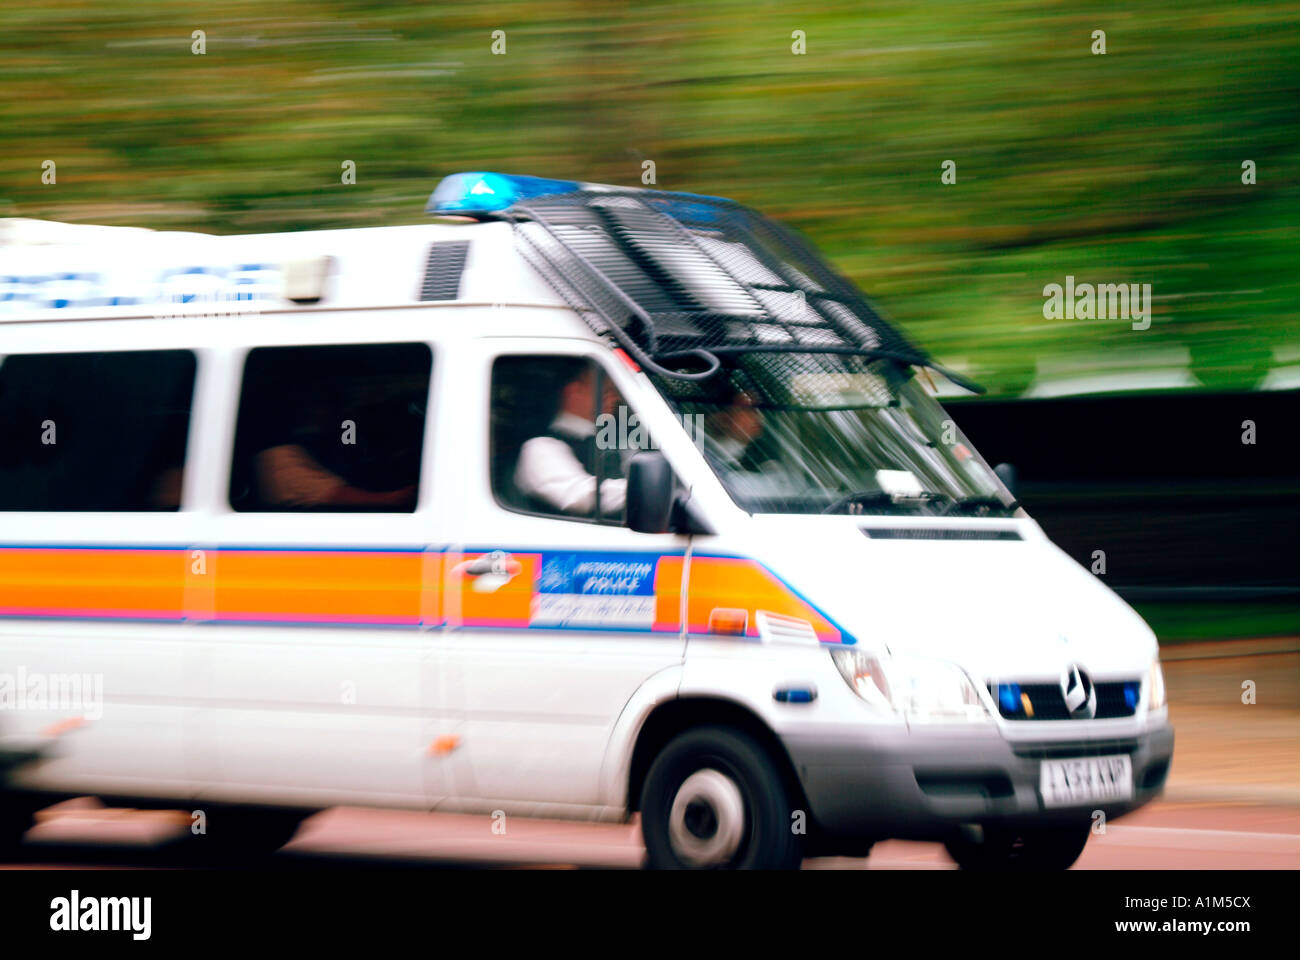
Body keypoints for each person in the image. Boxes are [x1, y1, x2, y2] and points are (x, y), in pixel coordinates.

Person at [255, 386, 416, 510]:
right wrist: (395, 498)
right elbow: (330, 492)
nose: (330, 412)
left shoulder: (344, 429)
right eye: (320, 404)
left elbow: (354, 455)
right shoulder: (280, 457)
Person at [514, 363, 627, 517]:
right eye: (607, 391)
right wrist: (648, 489)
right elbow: (578, 496)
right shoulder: (540, 447)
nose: (616, 399)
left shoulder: (612, 442)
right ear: (574, 392)